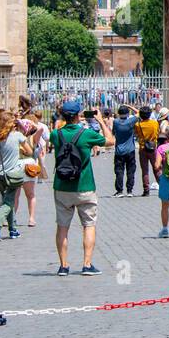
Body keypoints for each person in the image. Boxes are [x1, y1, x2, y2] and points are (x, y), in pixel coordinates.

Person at [48, 100, 114, 276]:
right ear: (79, 116)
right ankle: (87, 264)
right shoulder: (86, 134)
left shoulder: (56, 134)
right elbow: (110, 141)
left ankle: (63, 265)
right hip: (84, 186)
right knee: (89, 225)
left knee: (62, 227)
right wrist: (100, 120)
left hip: (62, 186)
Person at [0, 109, 28, 241]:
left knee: (7, 200)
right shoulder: (17, 136)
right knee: (8, 202)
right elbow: (30, 150)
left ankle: (13, 229)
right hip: (13, 173)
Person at [111, 105, 138, 197]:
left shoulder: (116, 122)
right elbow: (139, 113)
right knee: (131, 170)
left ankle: (119, 191)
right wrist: (130, 106)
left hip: (119, 150)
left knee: (119, 171)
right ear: (127, 113)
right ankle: (129, 190)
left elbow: (113, 133)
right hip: (130, 149)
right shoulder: (130, 121)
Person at [135, 106, 159, 195]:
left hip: (143, 148)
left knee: (145, 170)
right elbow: (157, 132)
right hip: (153, 147)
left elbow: (137, 134)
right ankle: (162, 185)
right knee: (156, 168)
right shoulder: (154, 123)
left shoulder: (138, 125)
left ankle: (146, 189)